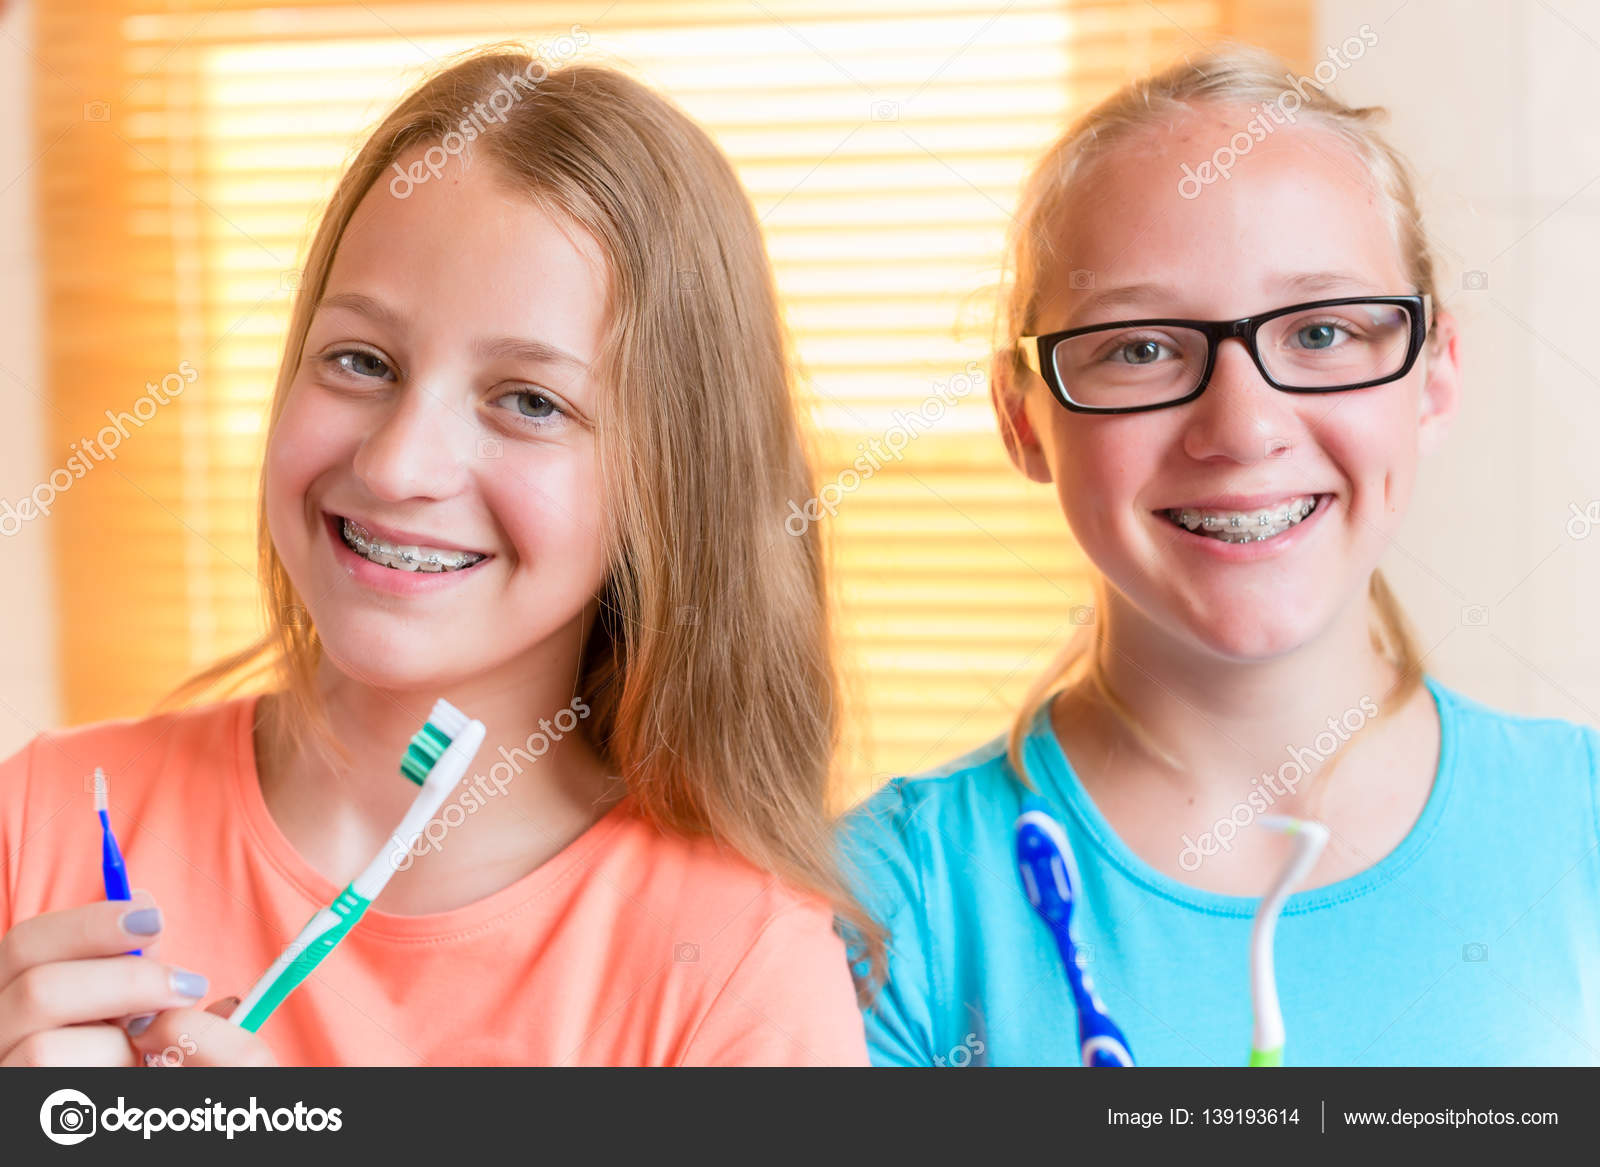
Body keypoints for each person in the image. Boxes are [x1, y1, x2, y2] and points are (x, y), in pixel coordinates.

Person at [0, 52, 871, 1067]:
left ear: (672, 486)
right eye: (362, 361)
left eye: (530, 401)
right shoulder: (41, 822)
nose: (399, 462)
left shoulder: (739, 974)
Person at [841, 44, 1600, 1066]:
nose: (1241, 428)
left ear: (1432, 379)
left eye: (1322, 333)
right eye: (1142, 347)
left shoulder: (1580, 828)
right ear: (1021, 419)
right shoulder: (894, 904)